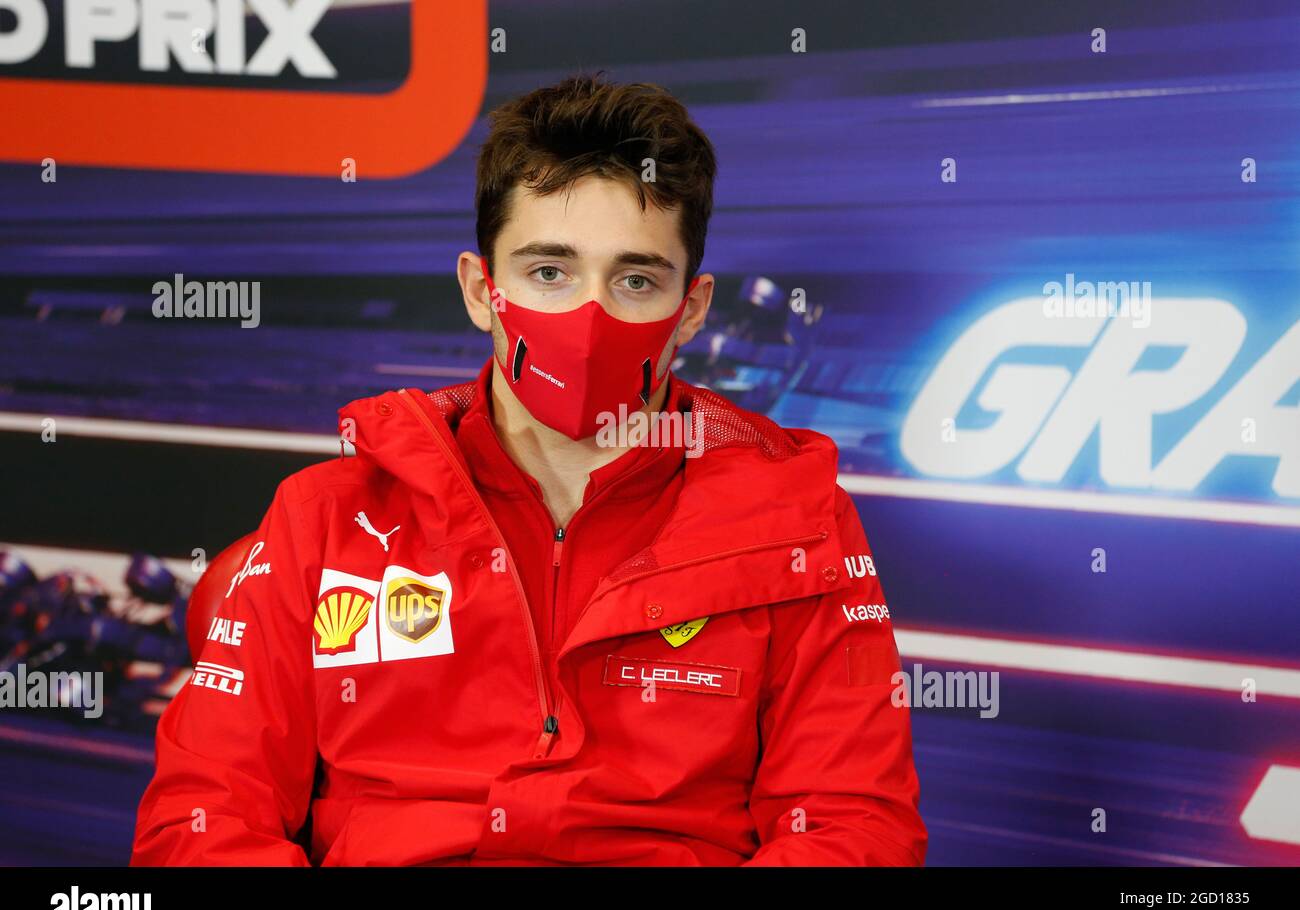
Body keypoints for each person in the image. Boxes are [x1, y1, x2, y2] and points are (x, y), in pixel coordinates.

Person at [131, 74, 926, 866]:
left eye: (636, 279)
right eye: (549, 272)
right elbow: (201, 820)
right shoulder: (327, 516)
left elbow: (854, 830)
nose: (590, 317)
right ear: (482, 290)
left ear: (691, 308)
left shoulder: (793, 518)